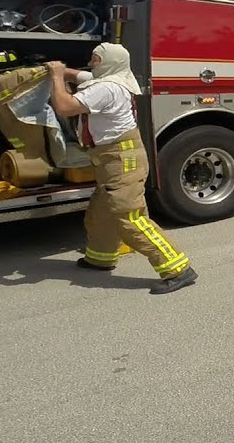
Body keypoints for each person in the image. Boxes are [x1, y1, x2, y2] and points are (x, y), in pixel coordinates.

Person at [45, 43, 197, 295]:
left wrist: (56, 76)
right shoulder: (109, 76)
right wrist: (59, 69)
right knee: (101, 212)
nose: (91, 63)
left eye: (95, 59)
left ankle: (177, 268)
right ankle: (100, 258)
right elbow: (78, 75)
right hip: (110, 158)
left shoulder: (107, 87)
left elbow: (65, 106)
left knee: (130, 217)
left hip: (121, 159)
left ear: (107, 62)